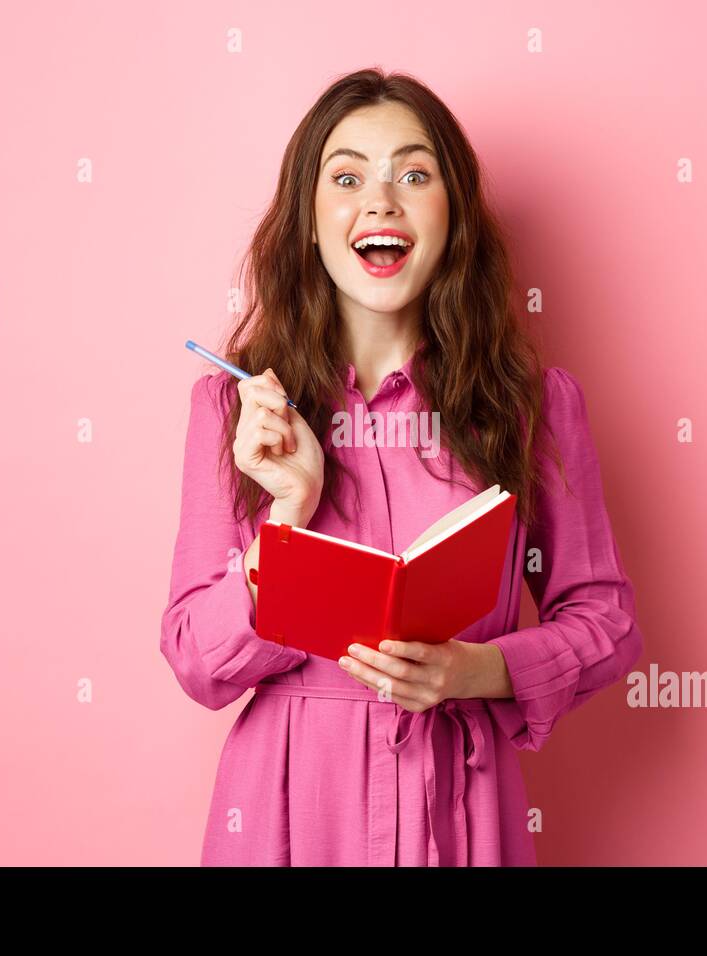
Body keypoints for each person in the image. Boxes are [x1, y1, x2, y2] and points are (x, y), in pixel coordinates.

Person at [160, 67, 644, 866]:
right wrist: (291, 513)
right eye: (346, 177)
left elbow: (606, 624)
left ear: (452, 220)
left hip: (460, 807)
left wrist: (477, 670)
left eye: (413, 175)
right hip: (286, 812)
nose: (380, 200)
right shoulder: (236, 410)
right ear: (310, 224)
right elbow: (196, 661)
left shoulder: (535, 406)